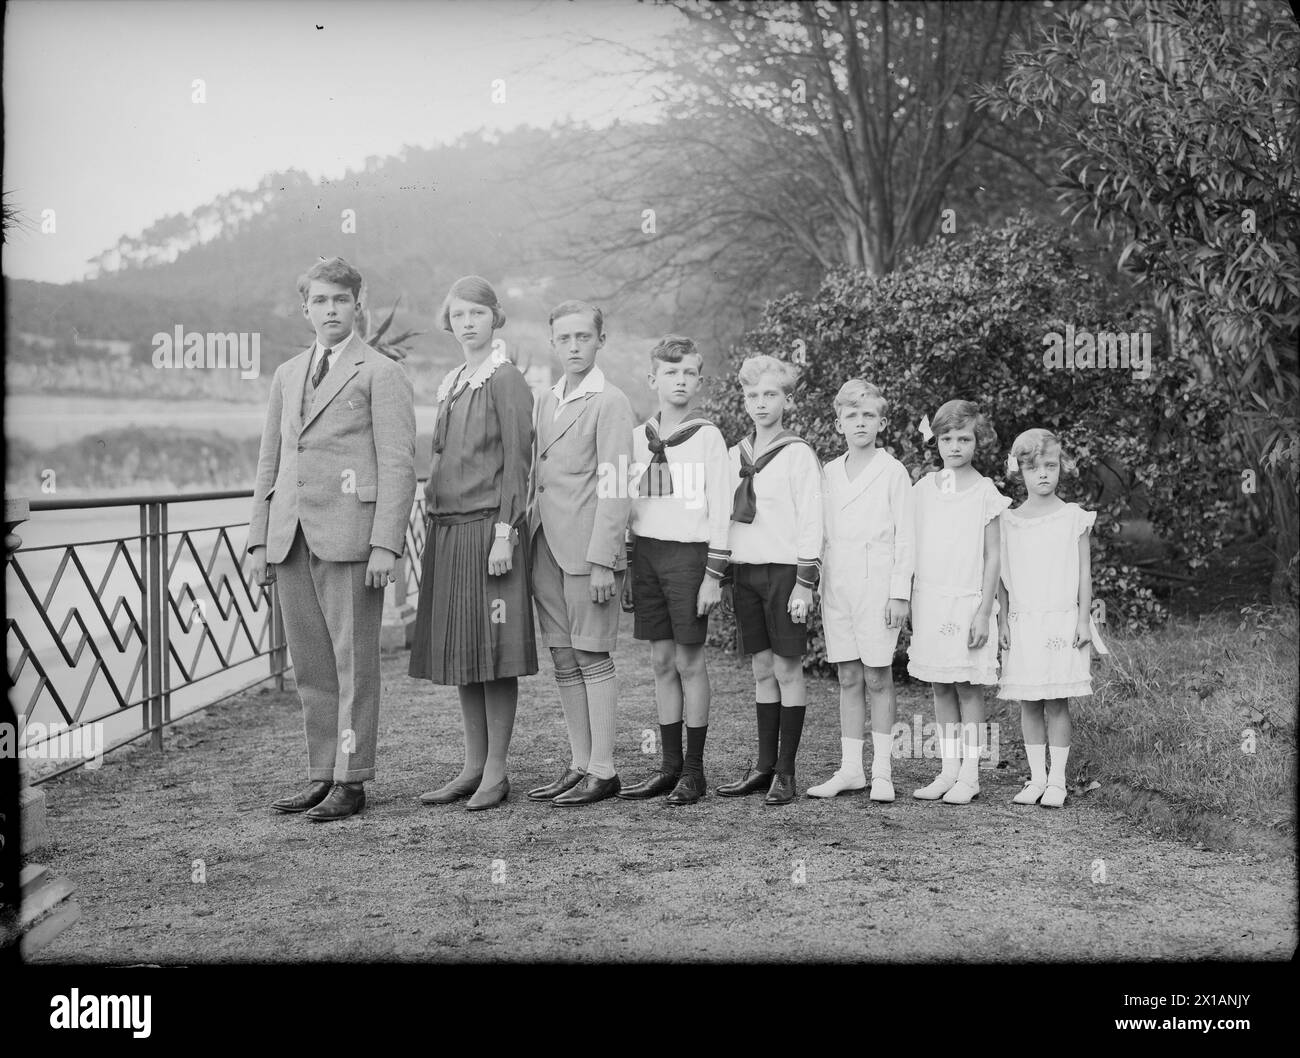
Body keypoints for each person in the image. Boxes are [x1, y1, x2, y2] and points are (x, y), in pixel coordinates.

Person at [249, 256, 416, 822]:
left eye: (340, 300)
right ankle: (322, 773)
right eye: (319, 301)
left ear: (357, 304)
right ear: (305, 308)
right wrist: (257, 542)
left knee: (354, 665)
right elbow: (270, 462)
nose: (330, 310)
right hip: (291, 537)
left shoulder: (380, 372)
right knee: (312, 667)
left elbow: (398, 464)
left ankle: (352, 778)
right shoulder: (287, 373)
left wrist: (385, 545)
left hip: (351, 538)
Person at [408, 276, 537, 811]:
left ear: (494, 318)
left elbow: (518, 463)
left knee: (495, 654)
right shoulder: (455, 380)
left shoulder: (505, 380)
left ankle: (499, 772)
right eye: (458, 314)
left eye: (477, 313)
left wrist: (505, 532)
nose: (467, 322)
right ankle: (472, 766)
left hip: (491, 530)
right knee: (465, 652)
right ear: (449, 322)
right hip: (449, 530)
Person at [526, 300, 635, 807]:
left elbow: (615, 487)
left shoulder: (610, 401)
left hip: (587, 551)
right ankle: (579, 763)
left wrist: (603, 560)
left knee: (593, 653)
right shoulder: (546, 400)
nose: (573, 347)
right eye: (564, 339)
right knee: (563, 656)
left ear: (600, 341)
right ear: (553, 343)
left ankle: (605, 769)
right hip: (546, 545)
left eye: (583, 338)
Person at [619, 335, 731, 806]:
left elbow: (722, 506)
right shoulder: (637, 438)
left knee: (689, 662)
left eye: (688, 373)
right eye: (670, 372)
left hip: (689, 558)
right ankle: (667, 767)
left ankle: (694, 770)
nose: (679, 380)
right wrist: (627, 563)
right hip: (647, 555)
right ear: (653, 379)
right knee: (661, 662)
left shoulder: (708, 437)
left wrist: (713, 574)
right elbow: (628, 503)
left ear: (699, 380)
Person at [716, 355, 822, 806]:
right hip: (746, 572)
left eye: (771, 394)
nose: (761, 403)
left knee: (786, 668)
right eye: (753, 395)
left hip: (784, 574)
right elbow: (723, 518)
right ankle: (762, 766)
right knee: (761, 669)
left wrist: (805, 582)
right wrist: (721, 576)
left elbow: (812, 521)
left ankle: (786, 770)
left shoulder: (798, 453)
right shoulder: (732, 454)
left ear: (787, 399)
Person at [809, 380, 914, 803]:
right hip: (838, 586)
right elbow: (818, 532)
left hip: (878, 586)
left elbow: (906, 536)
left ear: (882, 422)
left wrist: (899, 593)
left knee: (877, 675)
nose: (860, 422)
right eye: (852, 416)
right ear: (839, 423)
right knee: (848, 675)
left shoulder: (893, 472)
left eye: (868, 415)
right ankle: (851, 769)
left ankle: (883, 772)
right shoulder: (829, 472)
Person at [908, 398, 1009, 805]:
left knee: (968, 686)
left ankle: (970, 774)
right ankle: (948, 769)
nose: (955, 446)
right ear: (936, 441)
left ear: (976, 440)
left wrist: (985, 610)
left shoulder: (986, 492)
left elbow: (993, 556)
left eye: (963, 438)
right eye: (947, 438)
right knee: (940, 684)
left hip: (968, 600)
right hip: (931, 598)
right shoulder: (924, 490)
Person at [997, 428, 1103, 808]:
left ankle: (1057, 779)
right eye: (1033, 467)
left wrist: (1082, 621)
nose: (1042, 474)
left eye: (1050, 466)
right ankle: (1036, 778)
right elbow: (1001, 578)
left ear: (1061, 468)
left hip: (1060, 618)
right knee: (1029, 700)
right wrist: (1003, 622)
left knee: (1057, 699)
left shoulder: (1072, 518)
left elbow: (1083, 574)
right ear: (1019, 471)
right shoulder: (1008, 521)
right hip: (1024, 620)